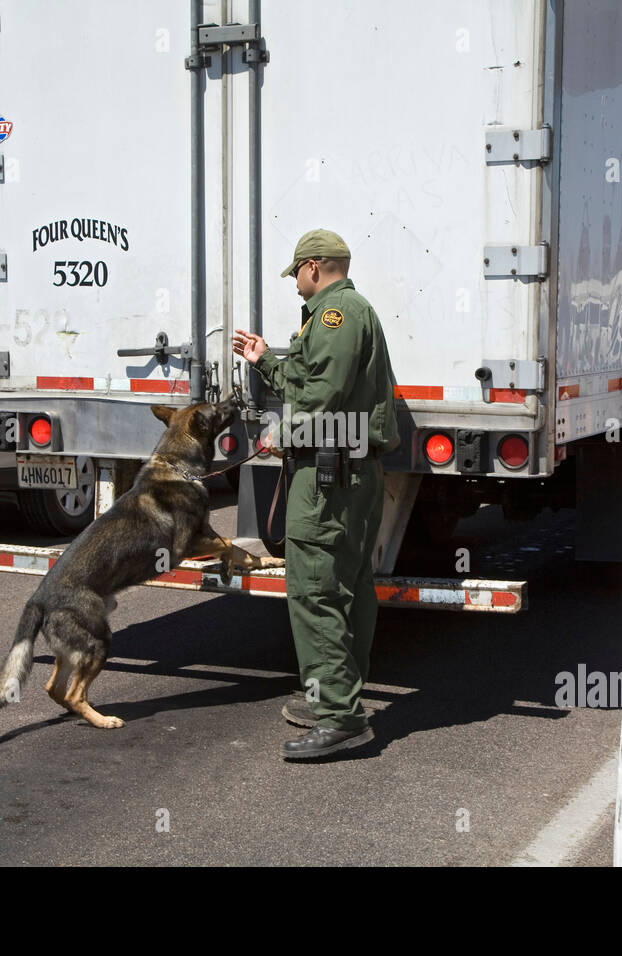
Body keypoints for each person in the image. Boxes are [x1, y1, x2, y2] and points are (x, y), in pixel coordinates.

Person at [232, 228, 399, 760]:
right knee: (346, 589)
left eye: (297, 275)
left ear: (313, 267)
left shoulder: (337, 314)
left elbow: (323, 398)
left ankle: (340, 718)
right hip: (344, 472)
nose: (296, 285)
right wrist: (265, 362)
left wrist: (284, 433)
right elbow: (312, 383)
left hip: (330, 477)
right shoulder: (339, 315)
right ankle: (339, 700)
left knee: (315, 593)